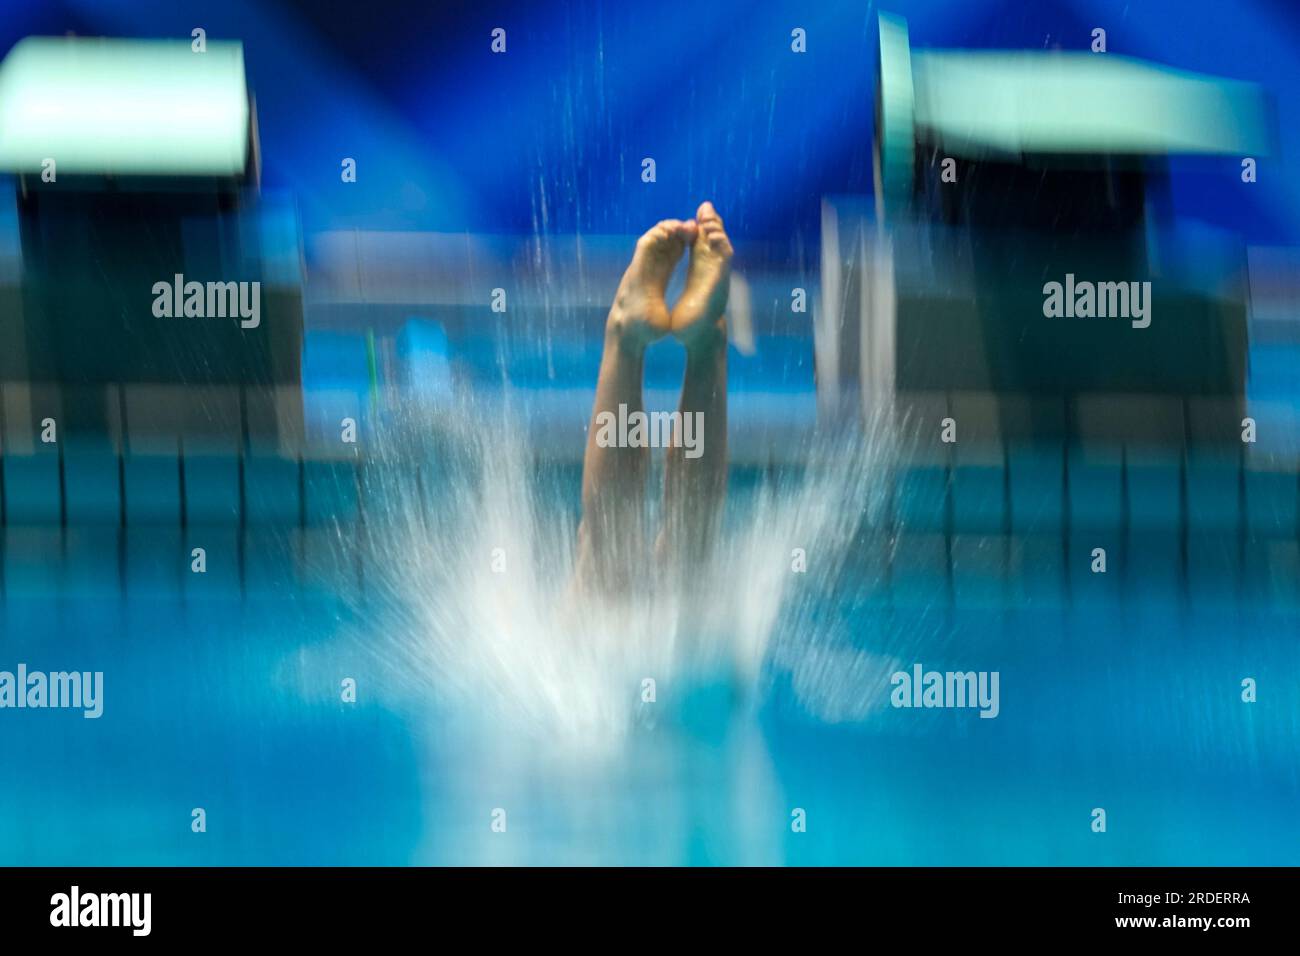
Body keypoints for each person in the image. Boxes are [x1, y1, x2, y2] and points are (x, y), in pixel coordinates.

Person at [573, 201, 734, 595]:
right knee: (690, 559)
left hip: (593, 653)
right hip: (694, 654)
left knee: (603, 563)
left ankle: (626, 336)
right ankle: (704, 341)